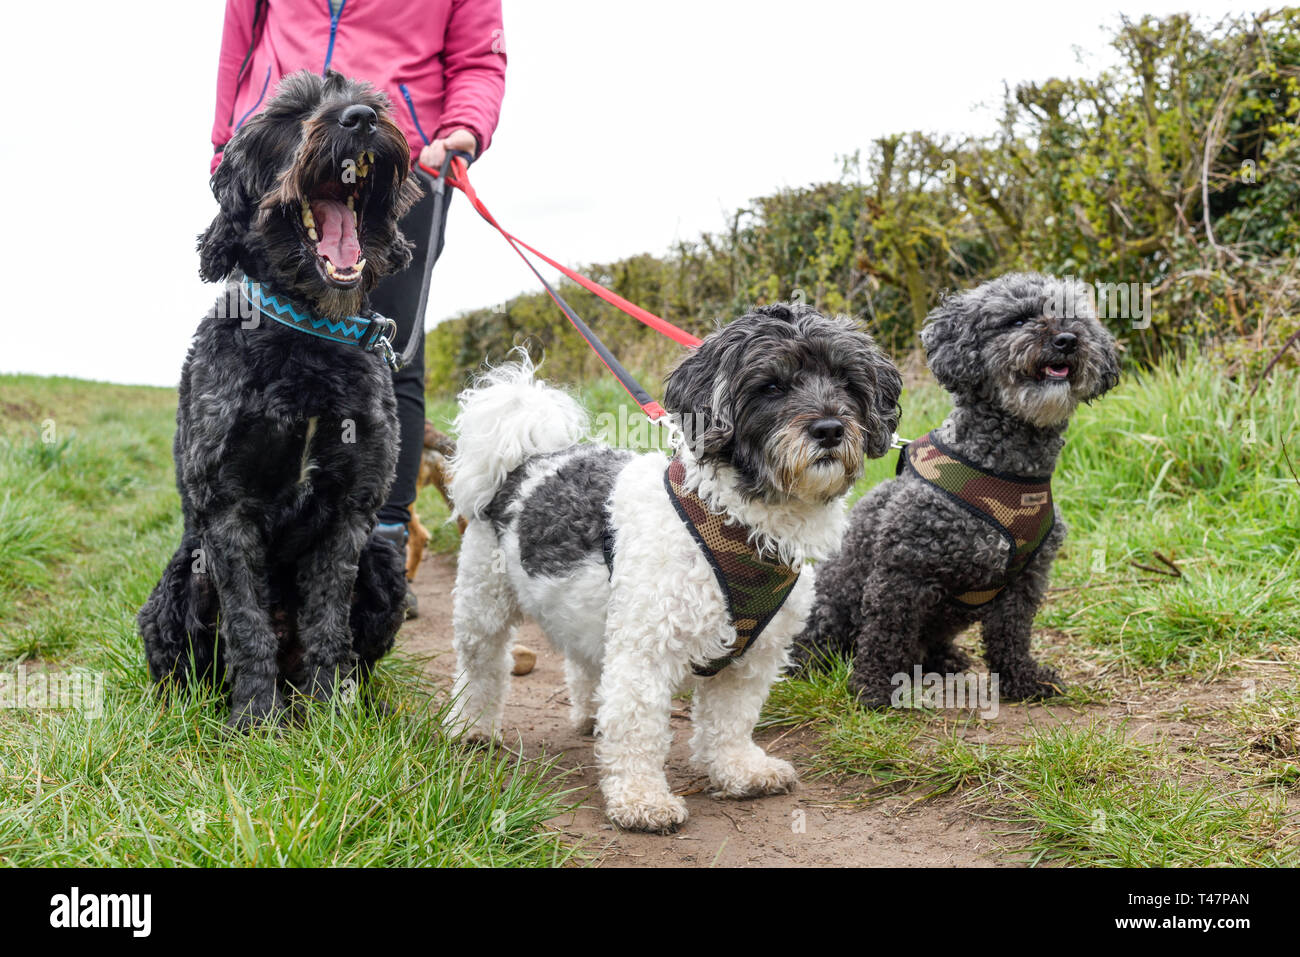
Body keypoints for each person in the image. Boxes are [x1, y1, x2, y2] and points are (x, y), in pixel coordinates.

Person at [210, 0, 507, 617]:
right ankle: (243, 549)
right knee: (250, 356)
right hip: (281, 155)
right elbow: (238, 40)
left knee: (389, 355)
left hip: (402, 161)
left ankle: (380, 548)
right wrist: (226, 142)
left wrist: (464, 130)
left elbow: (480, 56)